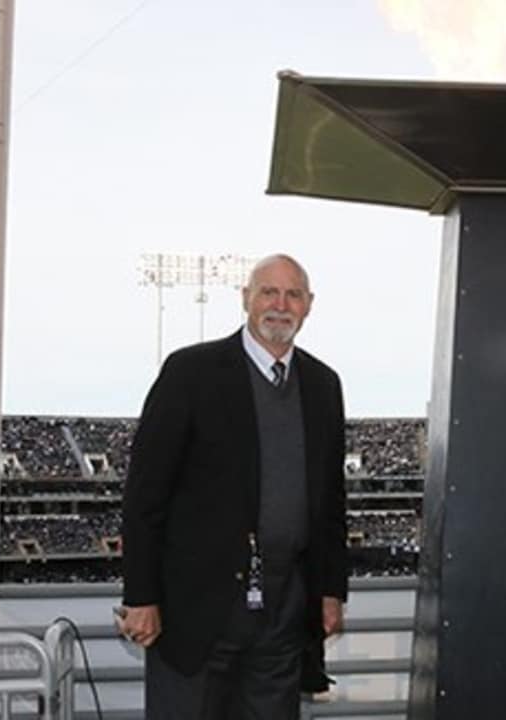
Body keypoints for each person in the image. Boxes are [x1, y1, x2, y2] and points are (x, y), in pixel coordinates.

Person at [118, 254, 349, 719]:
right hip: (196, 609)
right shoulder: (191, 372)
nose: (280, 304)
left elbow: (329, 502)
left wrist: (330, 590)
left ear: (309, 306)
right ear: (246, 298)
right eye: (268, 291)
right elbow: (145, 493)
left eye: (293, 294)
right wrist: (140, 597)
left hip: (284, 609)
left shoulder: (323, 384)